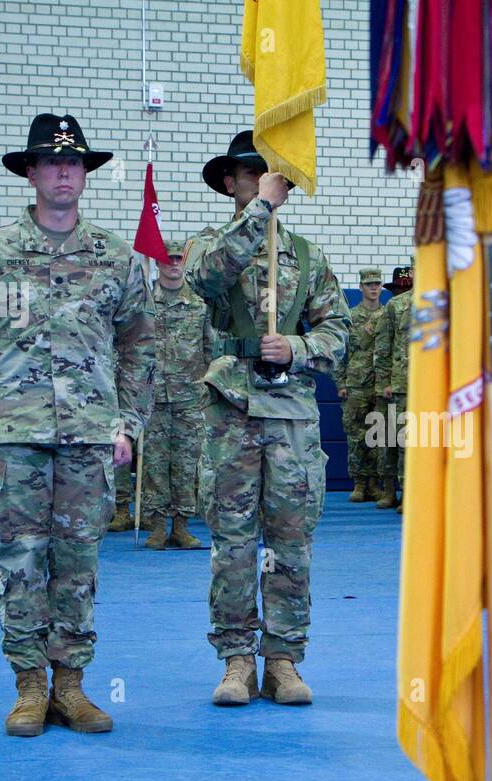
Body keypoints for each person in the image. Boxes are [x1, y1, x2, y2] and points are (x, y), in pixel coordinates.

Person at [0, 113, 154, 736]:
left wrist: (128, 424)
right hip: (14, 436)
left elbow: (142, 348)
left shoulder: (116, 257)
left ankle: (73, 685)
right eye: (52, 162)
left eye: (75, 163)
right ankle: (29, 686)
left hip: (90, 436)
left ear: (86, 174)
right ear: (30, 172)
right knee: (21, 561)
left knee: (80, 561)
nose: (64, 172)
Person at [186, 129, 349, 706]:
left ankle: (282, 659)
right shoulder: (209, 245)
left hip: (292, 420)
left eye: (268, 173)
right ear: (230, 183)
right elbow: (204, 278)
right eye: (249, 174)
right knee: (231, 542)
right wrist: (260, 210)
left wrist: (298, 350)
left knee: (290, 542)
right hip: (232, 412)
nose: (261, 181)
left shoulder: (307, 258)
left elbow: (337, 333)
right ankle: (236, 660)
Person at [142, 238, 211, 550]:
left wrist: (210, 385)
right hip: (151, 395)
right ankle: (156, 526)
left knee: (186, 464)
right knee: (154, 462)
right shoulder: (142, 300)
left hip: (189, 394)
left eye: (177, 259)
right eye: (166, 259)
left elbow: (210, 347)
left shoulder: (200, 301)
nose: (172, 264)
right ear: (157, 262)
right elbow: (128, 344)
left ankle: (181, 526)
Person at [334, 268, 386, 502]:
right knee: (355, 435)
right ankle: (358, 484)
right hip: (355, 384)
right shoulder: (350, 317)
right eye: (369, 284)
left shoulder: (388, 315)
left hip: (380, 384)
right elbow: (339, 352)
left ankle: (374, 483)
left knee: (377, 435)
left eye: (377, 284)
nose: (373, 288)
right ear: (360, 288)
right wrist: (340, 382)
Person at [373, 264, 412, 510]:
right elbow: (384, 346)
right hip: (402, 384)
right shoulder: (395, 305)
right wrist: (384, 381)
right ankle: (400, 492)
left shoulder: (443, 300)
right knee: (400, 439)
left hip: (435, 385)